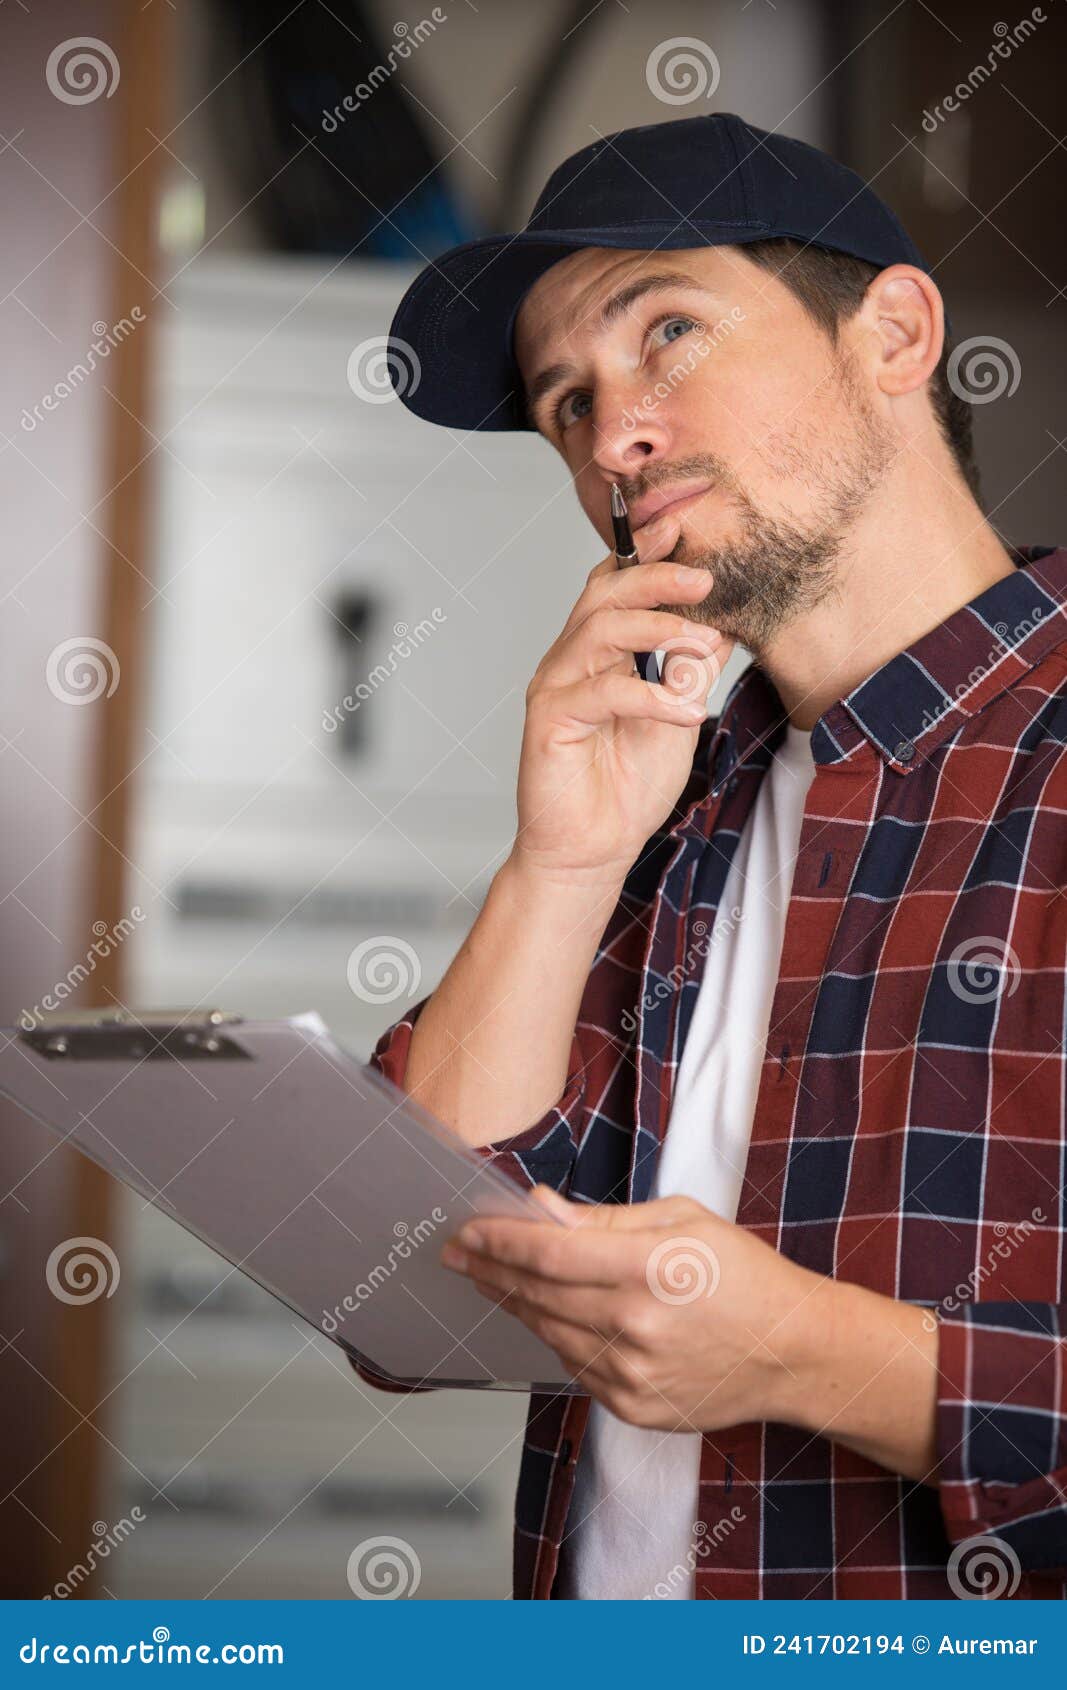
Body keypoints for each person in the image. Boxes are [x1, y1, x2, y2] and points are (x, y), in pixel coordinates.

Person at [352, 112, 1067, 1600]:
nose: (613, 437)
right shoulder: (675, 803)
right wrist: (556, 864)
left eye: (667, 330)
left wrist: (822, 1358)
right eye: (567, 402)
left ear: (896, 330)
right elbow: (404, 1288)